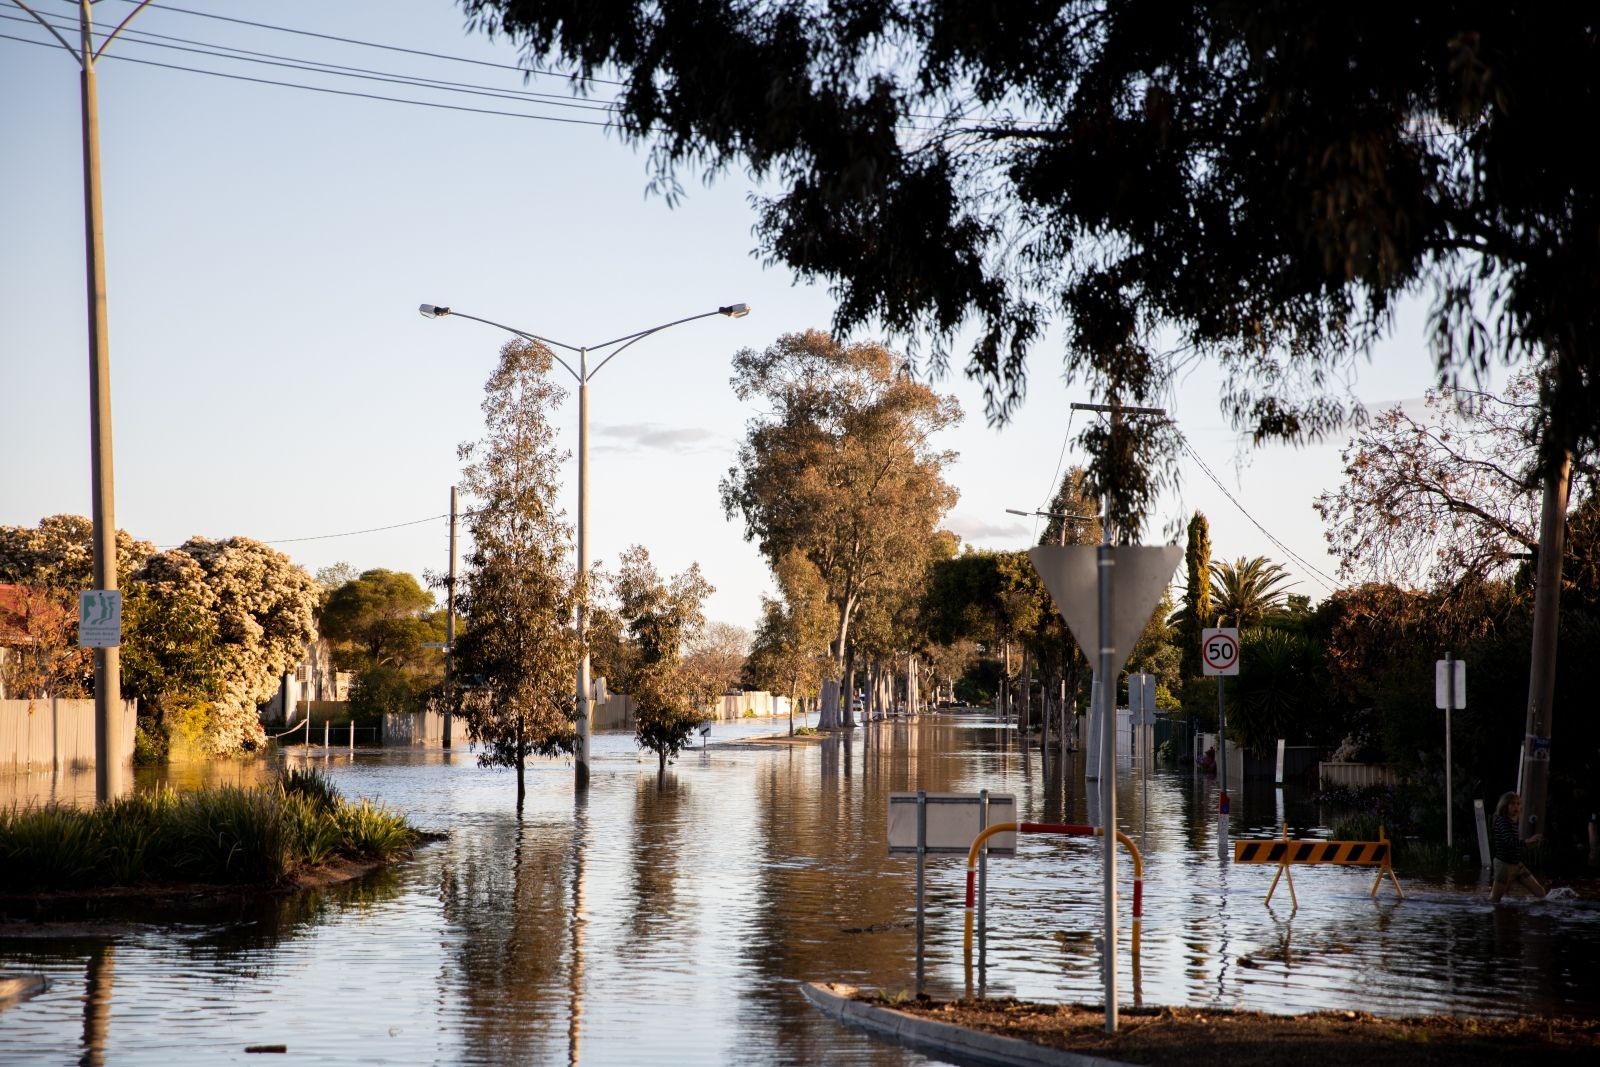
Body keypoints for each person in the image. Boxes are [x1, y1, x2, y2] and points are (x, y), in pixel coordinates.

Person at [1490, 791, 1548, 902]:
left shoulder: (1512, 821)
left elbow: (1514, 842)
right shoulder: (1502, 821)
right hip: (1504, 865)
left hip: (1517, 865)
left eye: (1518, 804)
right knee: (1494, 900)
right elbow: (1509, 842)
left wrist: (1530, 842)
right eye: (1512, 804)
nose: (1516, 807)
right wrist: (1527, 842)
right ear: (1505, 805)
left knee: (1540, 893)